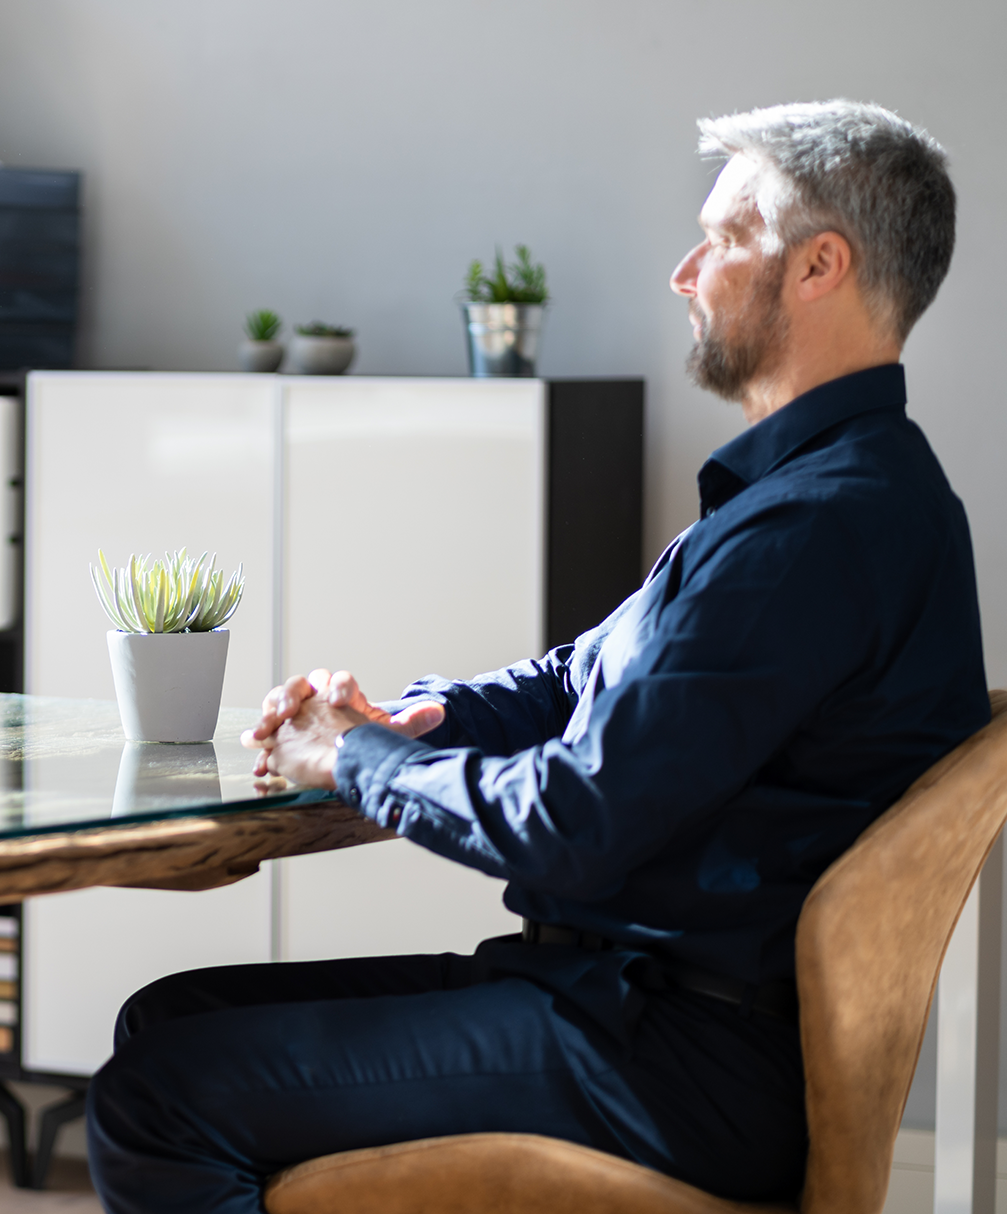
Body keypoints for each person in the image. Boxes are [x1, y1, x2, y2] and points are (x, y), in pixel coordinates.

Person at [85, 100, 987, 1213]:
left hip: (675, 1058)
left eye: (723, 235)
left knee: (156, 1094)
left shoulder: (822, 525)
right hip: (622, 1005)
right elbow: (577, 677)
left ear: (820, 265)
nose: (685, 268)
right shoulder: (823, 494)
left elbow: (574, 821)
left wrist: (360, 760)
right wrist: (421, 718)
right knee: (169, 1022)